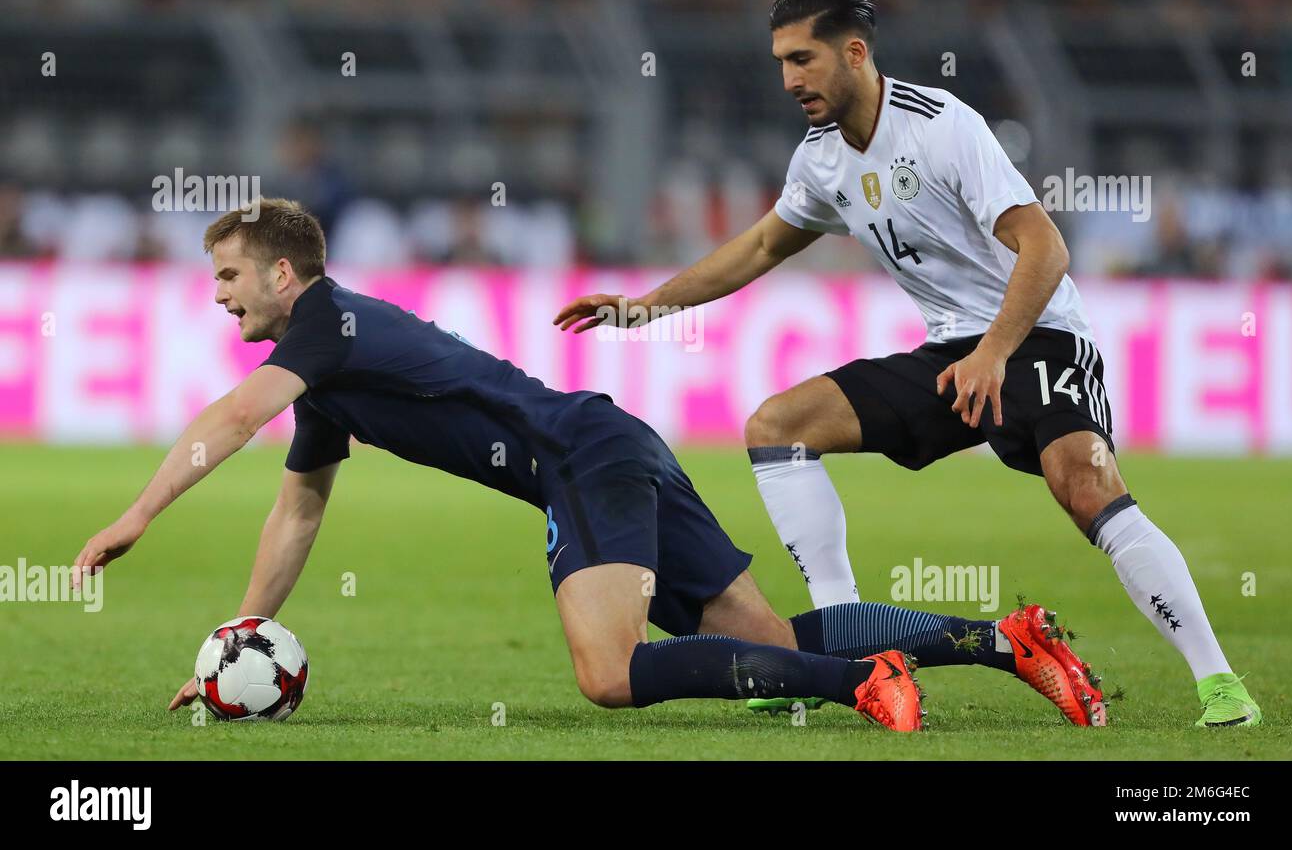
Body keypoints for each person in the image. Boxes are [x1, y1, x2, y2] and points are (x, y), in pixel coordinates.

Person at [72, 198, 1103, 732]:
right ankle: (1003, 641)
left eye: (230, 275)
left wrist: (139, 512)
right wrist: (241, 636)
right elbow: (297, 508)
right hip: (611, 439)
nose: (219, 295)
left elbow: (235, 415)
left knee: (607, 676)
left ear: (284, 273)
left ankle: (858, 683)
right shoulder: (327, 362)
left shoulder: (329, 324)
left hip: (577, 458)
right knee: (764, 635)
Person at [554, 0, 1258, 729]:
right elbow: (761, 245)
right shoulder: (822, 157)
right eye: (781, 62)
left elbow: (1045, 246)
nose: (790, 79)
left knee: (1083, 484)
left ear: (854, 53)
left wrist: (995, 351)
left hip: (1036, 335)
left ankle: (1219, 684)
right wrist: (647, 306)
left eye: (804, 59)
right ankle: (844, 634)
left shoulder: (942, 124)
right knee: (779, 425)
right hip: (952, 354)